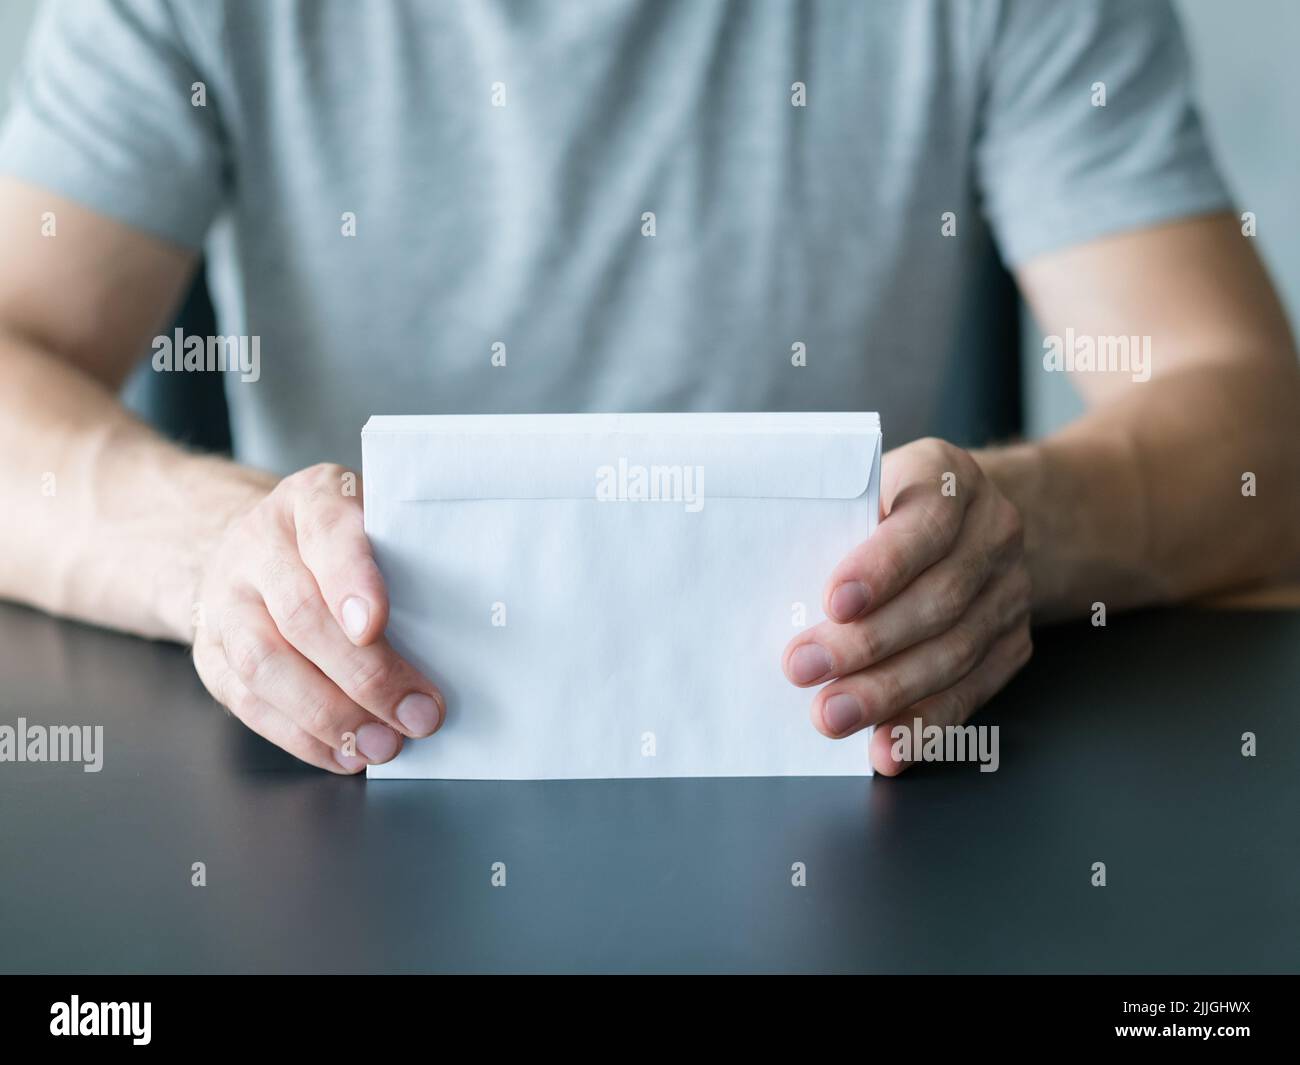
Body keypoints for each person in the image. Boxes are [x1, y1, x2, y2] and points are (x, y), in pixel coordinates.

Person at [0, 0, 1296, 776]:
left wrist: (1017, 531)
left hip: (849, 775)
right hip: (350, 779)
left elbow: (1255, 426)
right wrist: (220, 556)